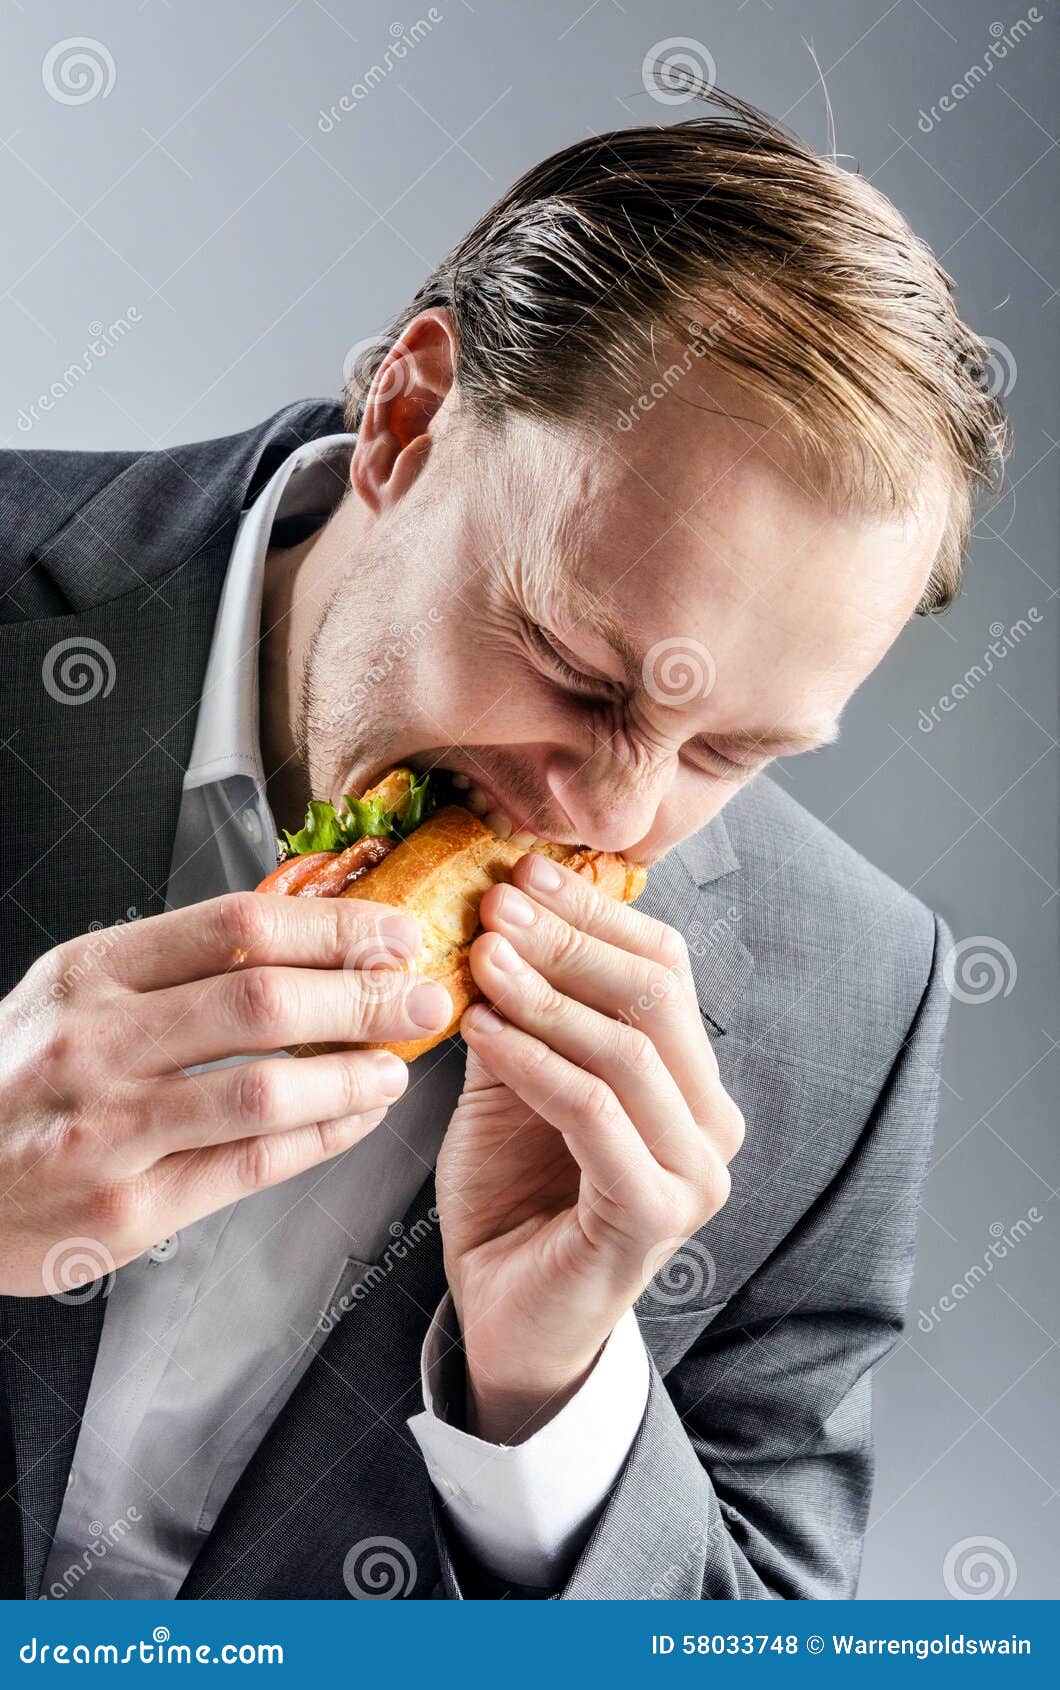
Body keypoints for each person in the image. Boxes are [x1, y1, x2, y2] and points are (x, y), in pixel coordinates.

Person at [0, 93, 1007, 1601]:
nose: (609, 818)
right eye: (579, 675)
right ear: (407, 420)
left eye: (729, 751)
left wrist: (553, 1402)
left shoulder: (850, 1010)